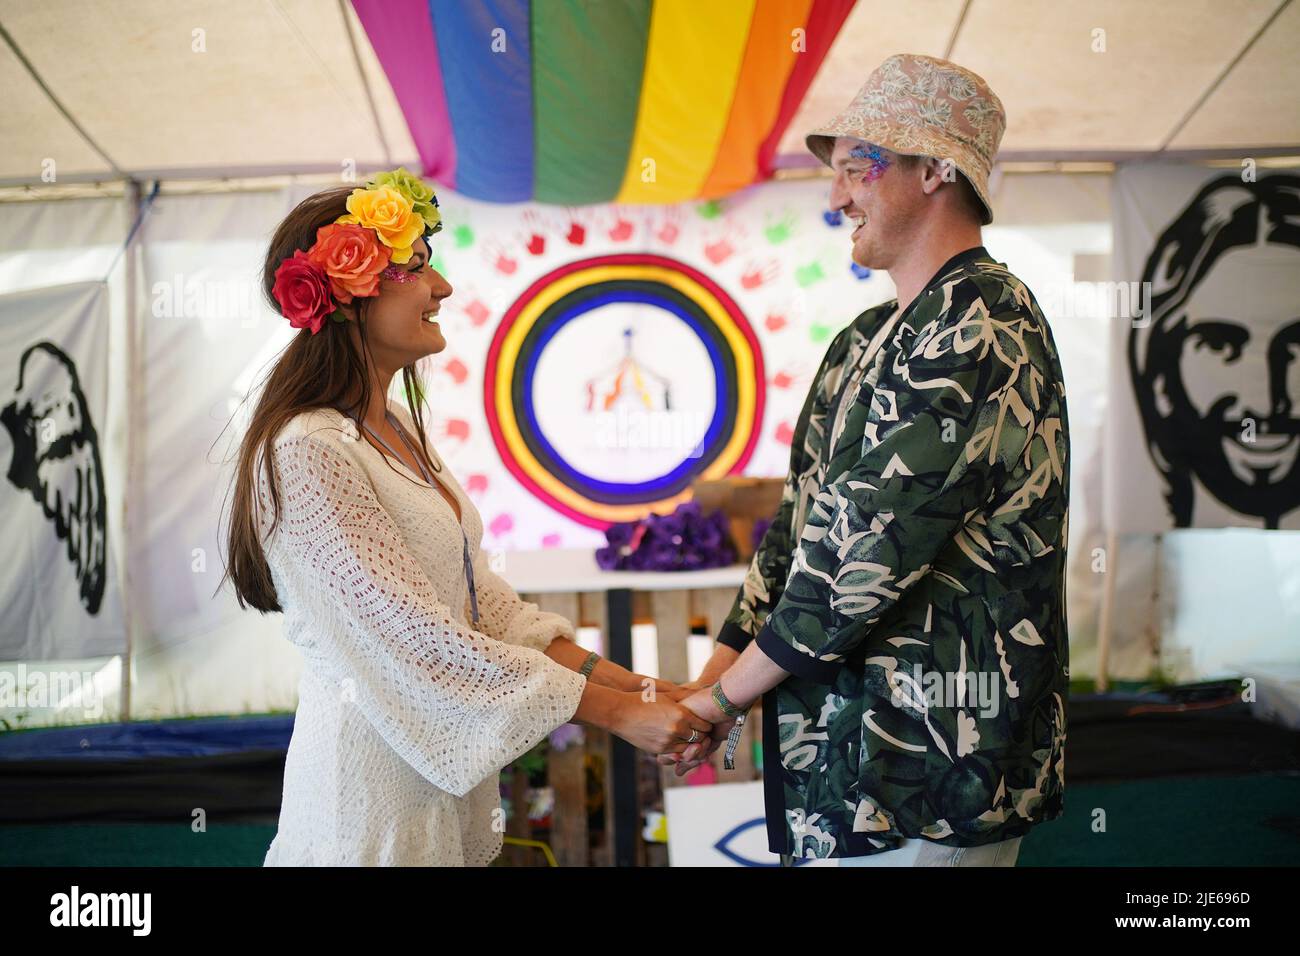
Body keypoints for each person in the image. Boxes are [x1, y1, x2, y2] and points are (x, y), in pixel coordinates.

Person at [220, 168, 709, 866]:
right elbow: (413, 635)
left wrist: (650, 689)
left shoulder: (392, 431)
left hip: (433, 797)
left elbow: (490, 612)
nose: (442, 287)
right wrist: (622, 715)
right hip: (363, 813)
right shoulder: (307, 451)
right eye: (417, 268)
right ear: (350, 293)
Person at [665, 54, 1071, 867]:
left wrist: (717, 698)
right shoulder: (863, 338)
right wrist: (707, 680)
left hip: (937, 763)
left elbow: (865, 553)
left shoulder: (984, 320)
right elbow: (801, 531)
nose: (836, 196)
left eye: (859, 166)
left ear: (938, 171)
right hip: (848, 762)